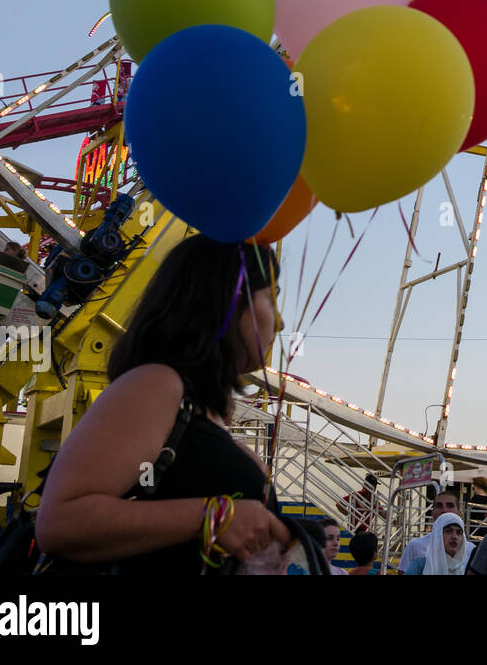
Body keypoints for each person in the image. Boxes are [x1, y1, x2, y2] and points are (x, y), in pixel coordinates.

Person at [34, 237, 293, 574]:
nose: (281, 322)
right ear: (230, 300)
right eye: (271, 299)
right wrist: (214, 517)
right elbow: (61, 522)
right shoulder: (158, 384)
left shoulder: (202, 412)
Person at [396, 490, 460, 573]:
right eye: (439, 506)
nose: (444, 510)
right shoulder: (416, 546)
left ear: (459, 514)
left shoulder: (471, 550)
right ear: (432, 514)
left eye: (450, 506)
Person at [405, 513, 472, 575]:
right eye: (448, 531)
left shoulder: (467, 569)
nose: (454, 537)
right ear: (438, 535)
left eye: (459, 533)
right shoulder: (420, 565)